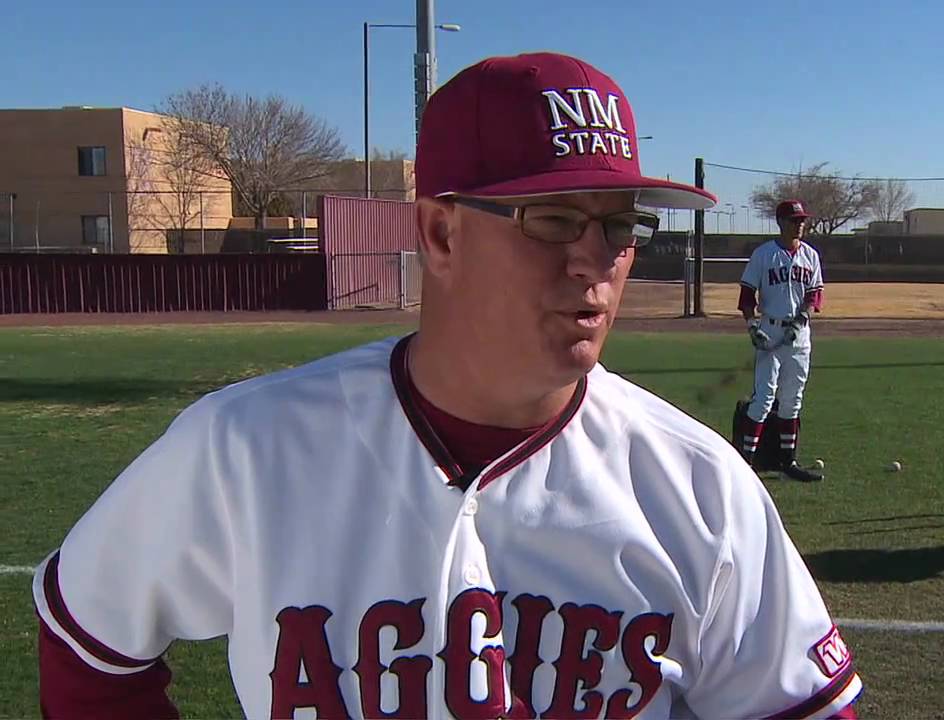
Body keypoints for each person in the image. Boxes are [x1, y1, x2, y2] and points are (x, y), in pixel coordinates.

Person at [34, 52, 862, 719]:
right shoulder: (247, 447)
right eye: (555, 221)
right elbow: (87, 643)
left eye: (618, 225)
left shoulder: (701, 486)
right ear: (439, 231)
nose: (595, 263)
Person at [737, 199, 826, 482]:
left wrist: (801, 320)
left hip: (799, 335)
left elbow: (814, 295)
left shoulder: (810, 256)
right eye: (794, 220)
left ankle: (788, 462)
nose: (799, 224)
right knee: (763, 398)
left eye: (802, 220)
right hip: (771, 330)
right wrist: (753, 327)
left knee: (792, 399)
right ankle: (745, 465)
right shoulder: (763, 255)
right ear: (780, 222)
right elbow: (747, 296)